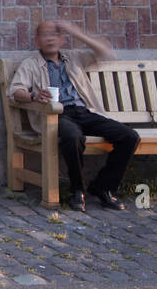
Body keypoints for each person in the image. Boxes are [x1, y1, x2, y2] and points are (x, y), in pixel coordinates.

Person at [8, 20, 139, 211]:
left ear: (62, 39)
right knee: (72, 137)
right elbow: (15, 91)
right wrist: (34, 95)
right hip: (57, 115)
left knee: (129, 136)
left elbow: (105, 53)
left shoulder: (74, 57)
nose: (50, 38)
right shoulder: (31, 64)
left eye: (55, 34)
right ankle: (78, 190)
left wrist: (75, 32)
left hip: (85, 112)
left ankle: (104, 187)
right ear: (37, 41)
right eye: (45, 34)